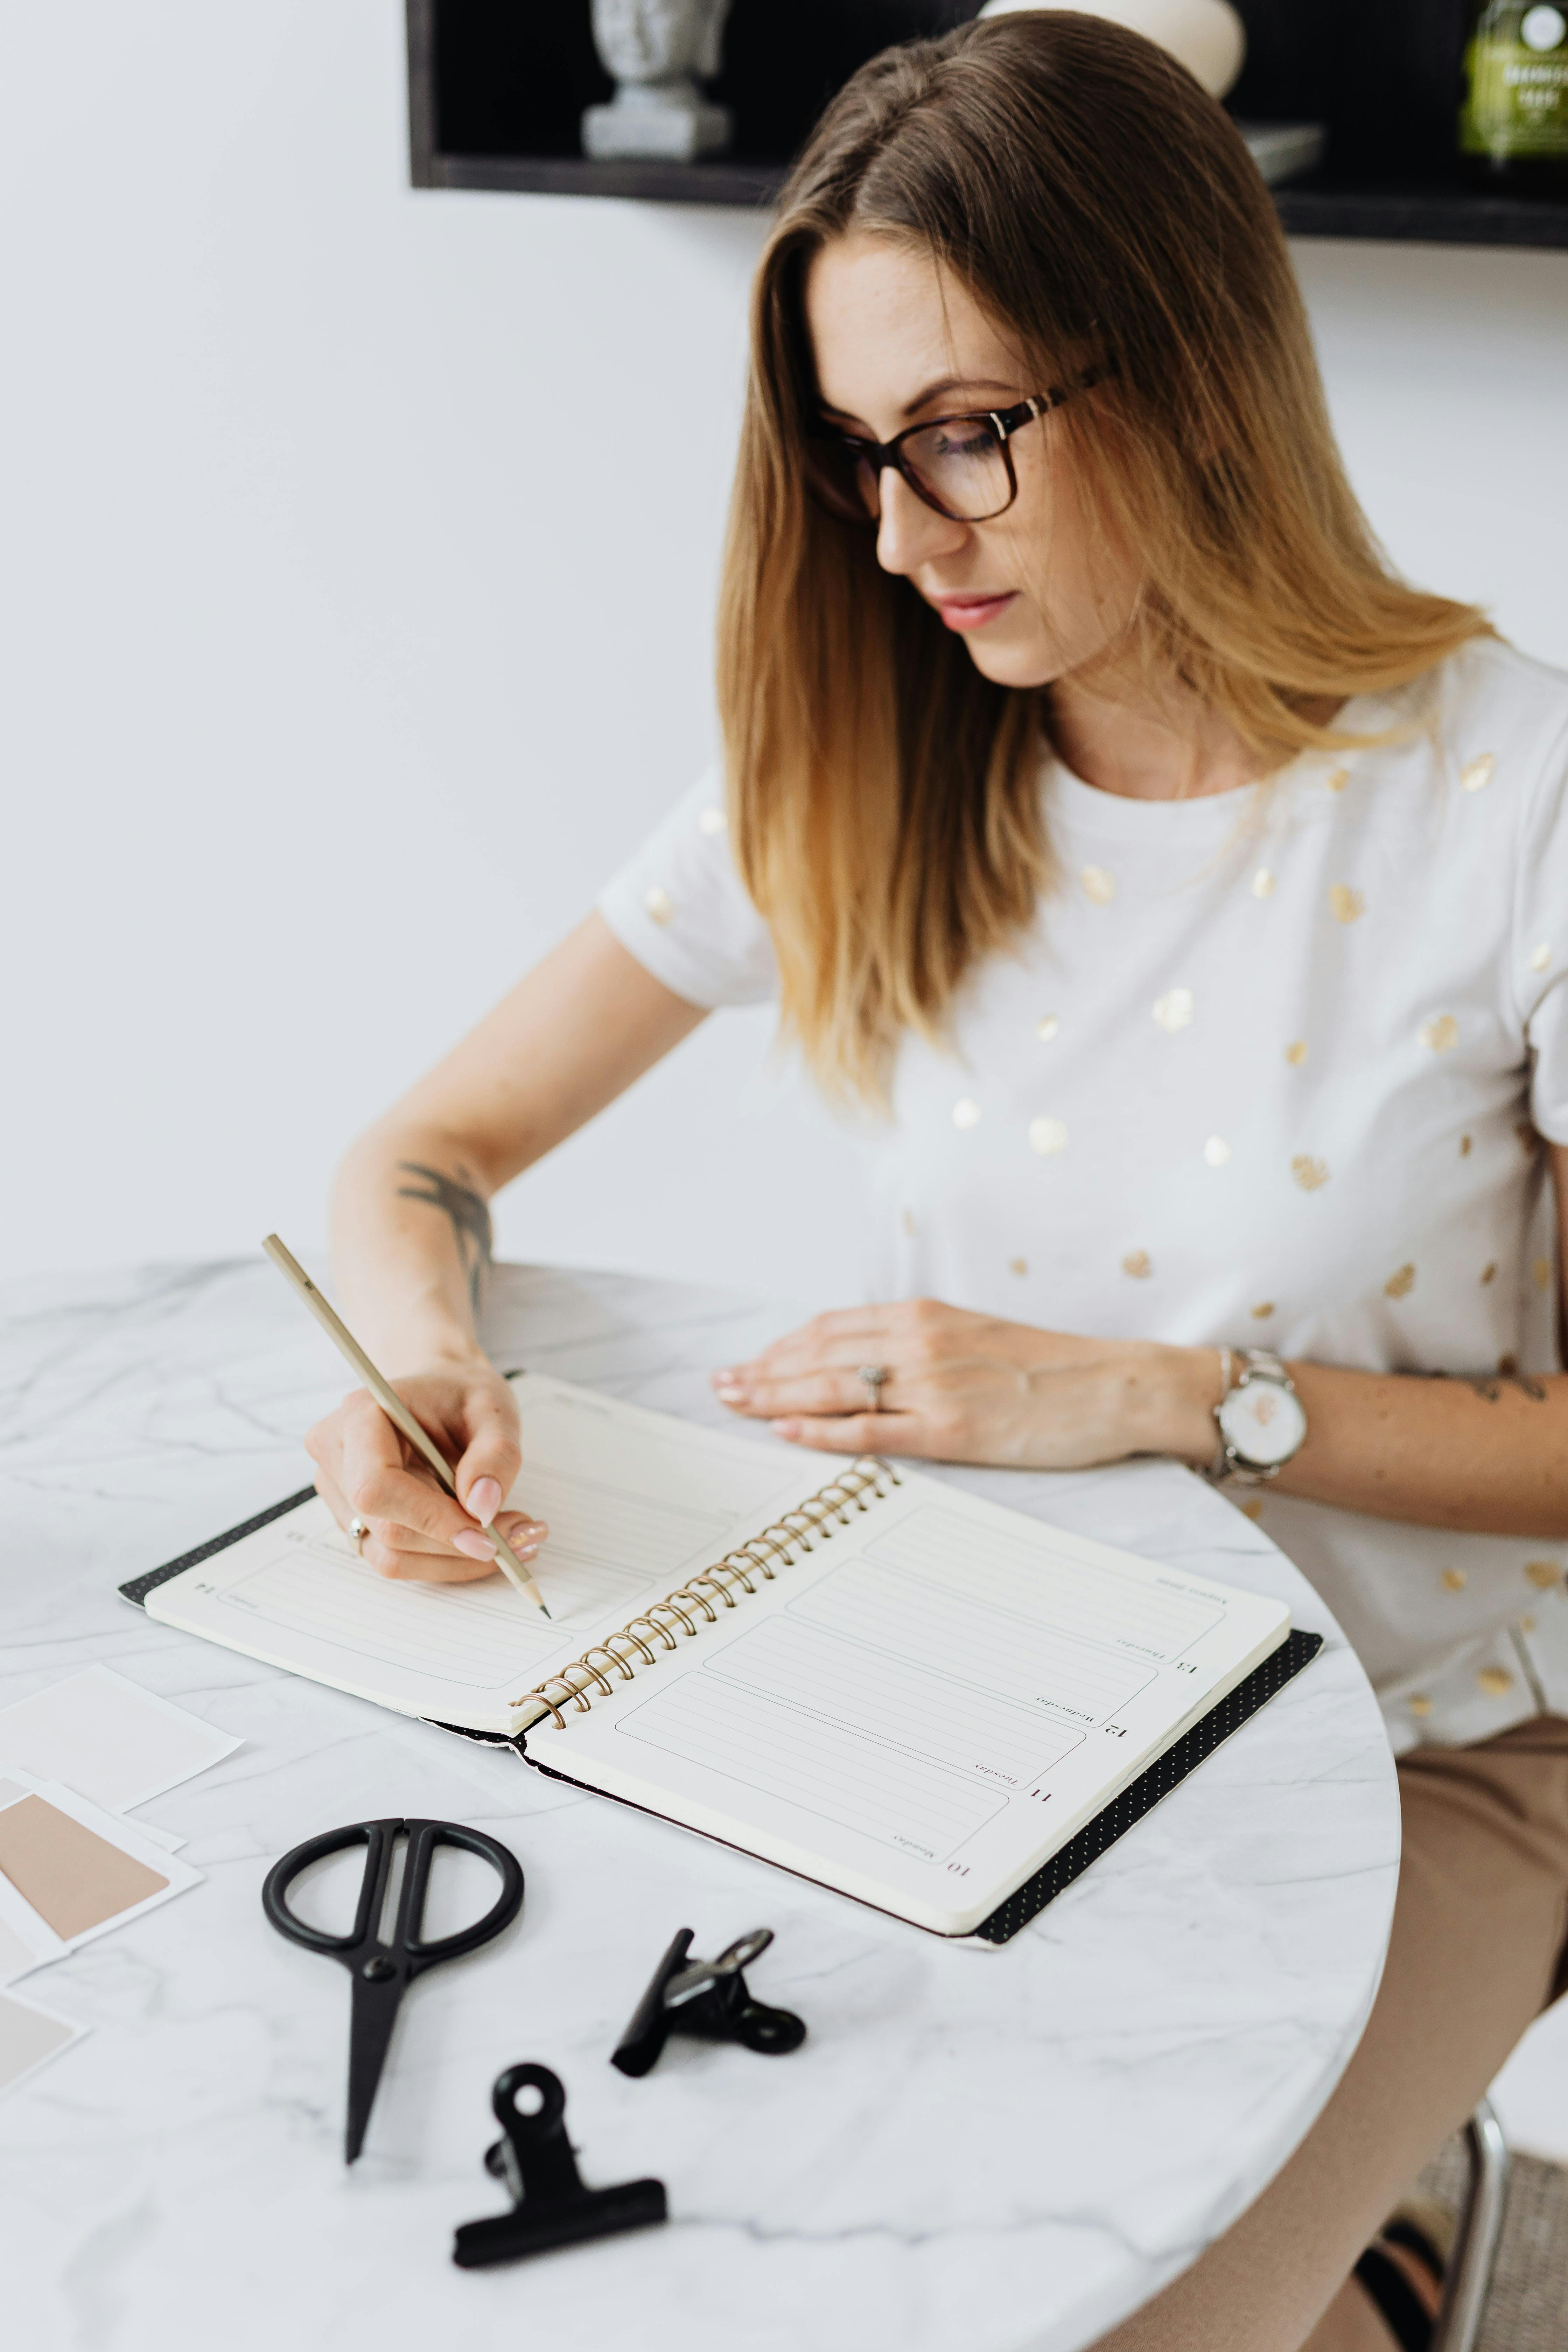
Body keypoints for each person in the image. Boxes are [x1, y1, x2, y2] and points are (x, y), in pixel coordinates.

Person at [304, 16, 1568, 2347]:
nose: (894, 539)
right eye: (856, 455)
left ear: (1192, 366)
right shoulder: (878, 756)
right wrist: (422, 1358)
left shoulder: (1510, 801)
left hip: (1435, 1760)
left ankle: (1387, 2270)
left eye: (966, 439)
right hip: (970, 1714)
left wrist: (1180, 1396)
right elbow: (420, 1153)